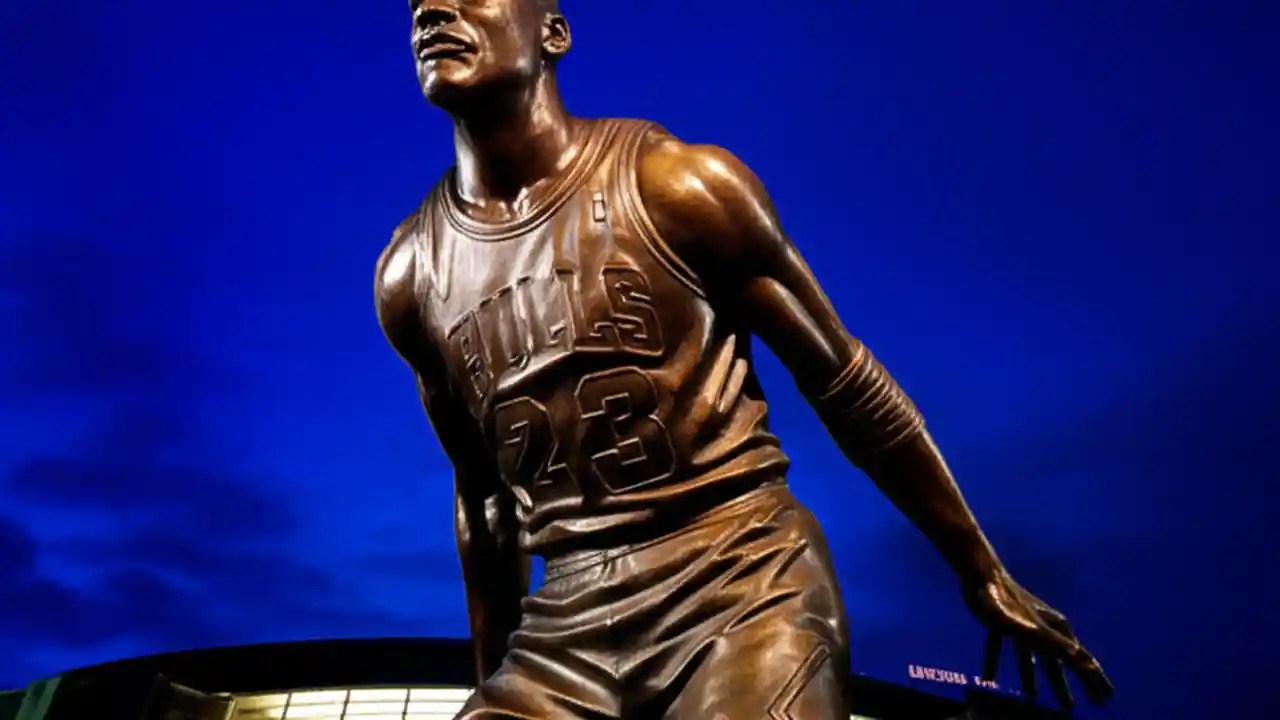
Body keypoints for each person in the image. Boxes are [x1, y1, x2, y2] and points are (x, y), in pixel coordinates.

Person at [374, 1, 1114, 717]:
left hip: (739, 578)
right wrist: (496, 685)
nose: (432, 11)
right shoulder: (412, 276)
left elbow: (846, 381)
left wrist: (980, 567)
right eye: (417, 0)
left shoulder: (676, 186)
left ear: (554, 32)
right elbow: (485, 500)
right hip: (564, 627)